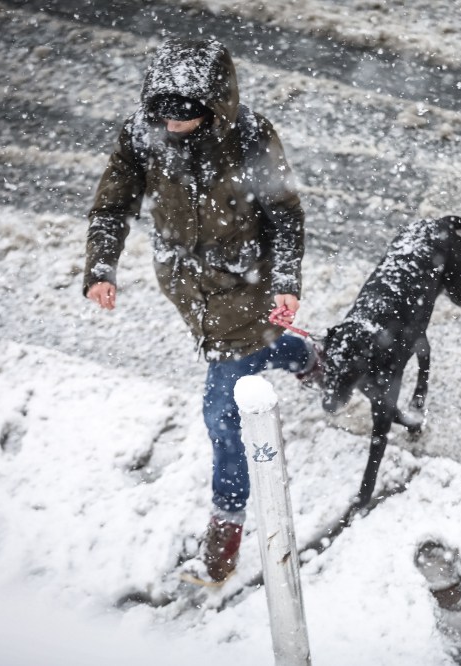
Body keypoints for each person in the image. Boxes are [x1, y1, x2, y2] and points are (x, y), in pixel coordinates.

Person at [83, 38, 318, 583]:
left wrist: (284, 281)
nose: (175, 126)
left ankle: (226, 526)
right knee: (249, 352)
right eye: (166, 115)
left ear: (216, 103)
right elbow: (113, 203)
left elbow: (285, 215)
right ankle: (307, 355)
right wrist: (101, 267)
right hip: (186, 287)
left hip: (246, 283)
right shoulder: (143, 134)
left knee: (223, 412)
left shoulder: (251, 136)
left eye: (188, 116)